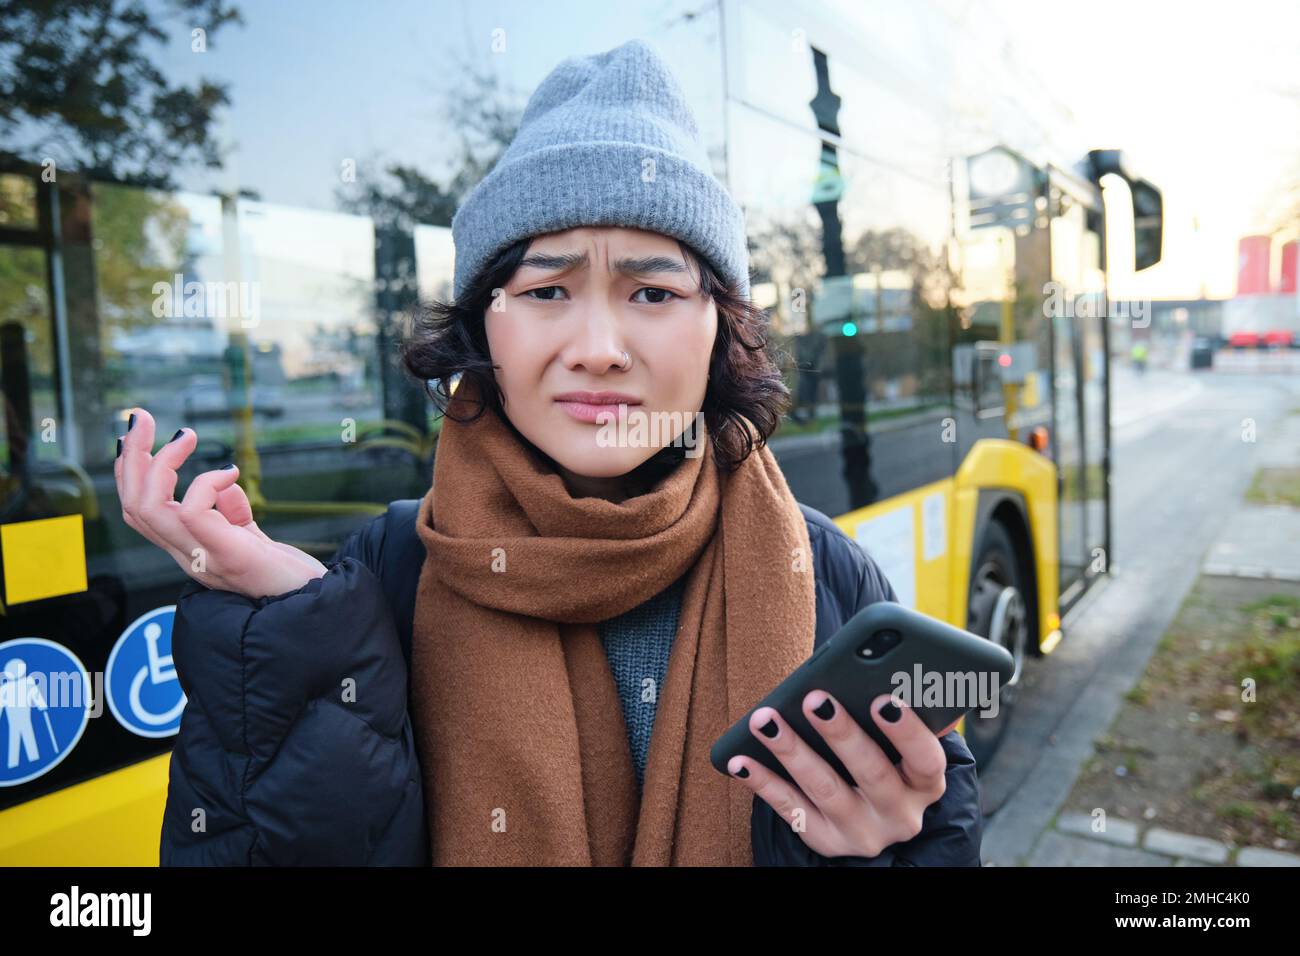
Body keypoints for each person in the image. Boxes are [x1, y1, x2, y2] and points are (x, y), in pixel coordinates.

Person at [115, 38, 981, 866]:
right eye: (546, 290)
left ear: (721, 329)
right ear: (480, 326)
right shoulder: (382, 575)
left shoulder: (828, 575)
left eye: (652, 290)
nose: (599, 345)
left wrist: (884, 849)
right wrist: (292, 626)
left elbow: (943, 834)